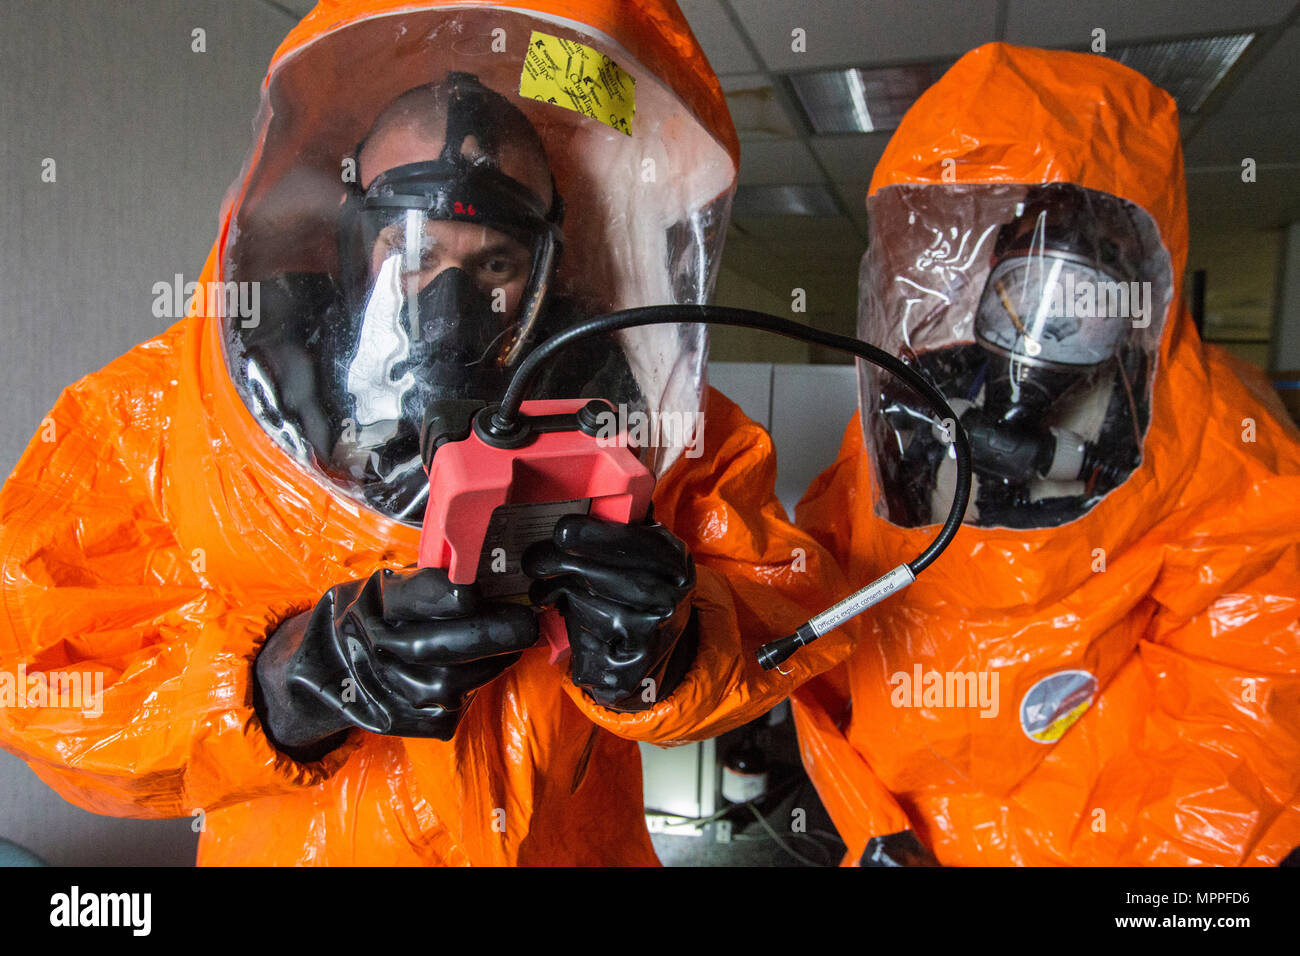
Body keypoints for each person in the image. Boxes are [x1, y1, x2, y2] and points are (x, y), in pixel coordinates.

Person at [0, 0, 855, 865]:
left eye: (493, 264)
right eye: (413, 257)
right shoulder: (190, 408)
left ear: (547, 264)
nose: (452, 304)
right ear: (351, 242)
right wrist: (280, 686)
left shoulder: (640, 412)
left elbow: (783, 600)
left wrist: (669, 649)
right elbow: (37, 669)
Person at [793, 41, 1300, 866]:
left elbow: (1252, 688)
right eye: (1024, 290)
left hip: (1090, 840)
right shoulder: (903, 414)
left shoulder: (1207, 436)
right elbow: (823, 622)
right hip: (899, 832)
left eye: (1084, 300)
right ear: (989, 273)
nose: (1044, 324)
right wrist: (868, 819)